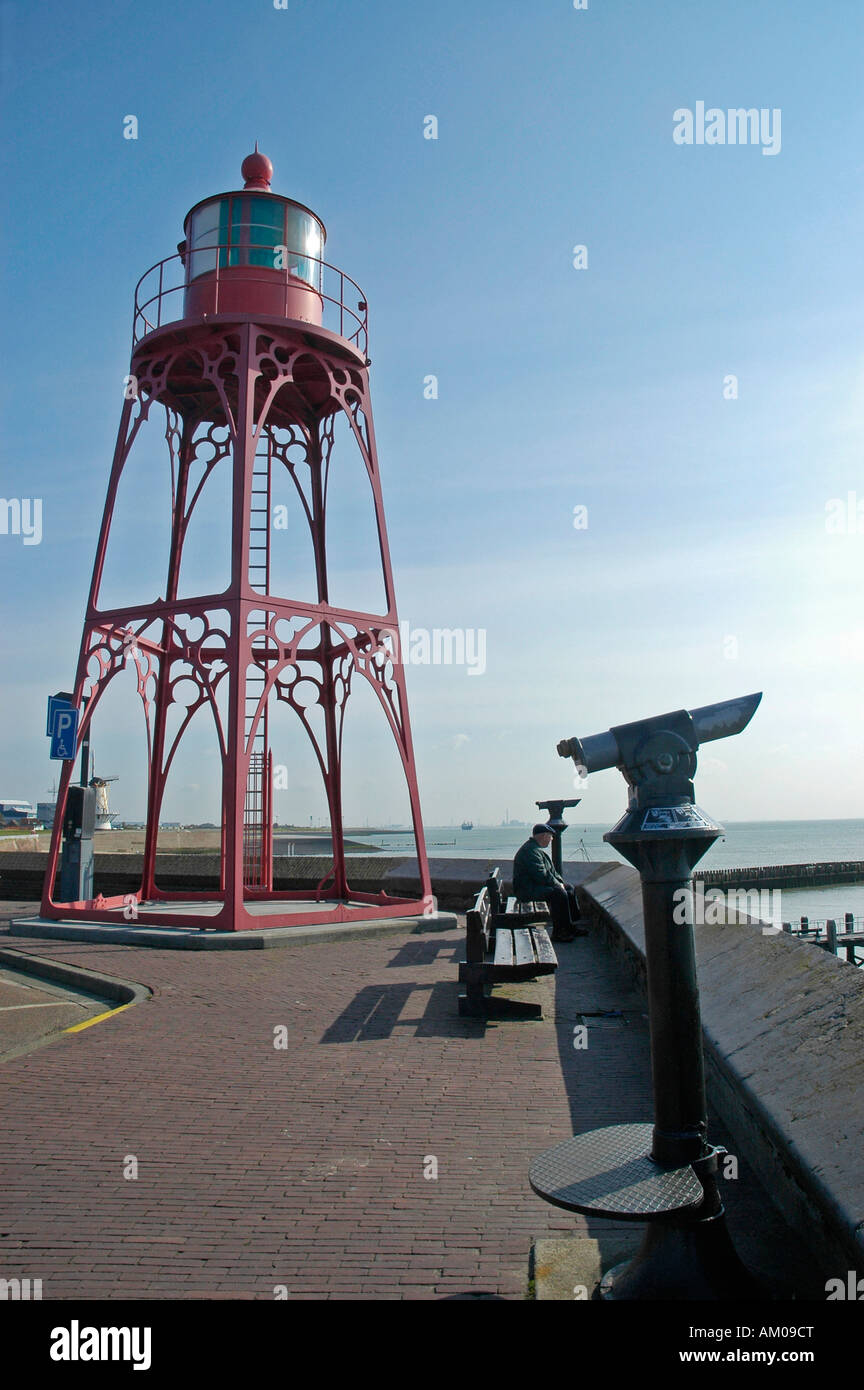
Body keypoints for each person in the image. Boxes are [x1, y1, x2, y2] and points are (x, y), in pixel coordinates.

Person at [512, 824, 588, 943]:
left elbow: (551, 872)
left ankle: (569, 926)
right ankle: (559, 932)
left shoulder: (536, 850)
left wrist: (559, 883)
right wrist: (557, 885)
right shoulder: (530, 852)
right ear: (543, 836)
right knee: (559, 894)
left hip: (534, 886)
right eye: (550, 836)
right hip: (526, 890)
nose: (551, 839)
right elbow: (541, 875)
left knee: (569, 889)